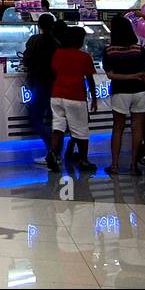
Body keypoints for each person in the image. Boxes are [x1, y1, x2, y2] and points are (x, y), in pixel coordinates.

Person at [102, 14, 145, 175]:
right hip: (140, 92)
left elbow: (110, 75)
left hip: (120, 92)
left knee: (118, 128)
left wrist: (126, 77)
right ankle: (134, 165)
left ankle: (115, 164)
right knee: (137, 128)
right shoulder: (139, 49)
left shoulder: (109, 51)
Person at [48, 26, 98, 172]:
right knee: (80, 130)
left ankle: (53, 154)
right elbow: (90, 79)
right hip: (75, 96)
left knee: (58, 128)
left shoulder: (58, 53)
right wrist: (94, 98)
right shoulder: (84, 57)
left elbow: (54, 72)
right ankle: (84, 160)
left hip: (57, 95)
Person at [22, 14, 58, 160]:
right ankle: (55, 150)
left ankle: (51, 150)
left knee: (35, 117)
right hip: (55, 84)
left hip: (40, 84)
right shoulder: (56, 42)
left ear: (39, 25)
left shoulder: (35, 40)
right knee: (55, 119)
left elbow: (26, 60)